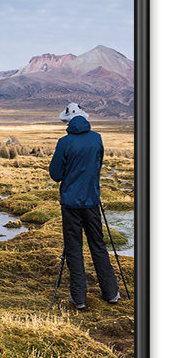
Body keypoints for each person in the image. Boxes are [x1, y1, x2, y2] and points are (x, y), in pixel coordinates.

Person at [48, 110, 122, 308]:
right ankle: (112, 293)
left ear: (68, 122)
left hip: (71, 204)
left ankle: (79, 298)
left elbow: (55, 175)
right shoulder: (97, 139)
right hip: (92, 201)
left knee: (74, 248)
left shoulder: (64, 142)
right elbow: (97, 166)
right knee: (98, 245)